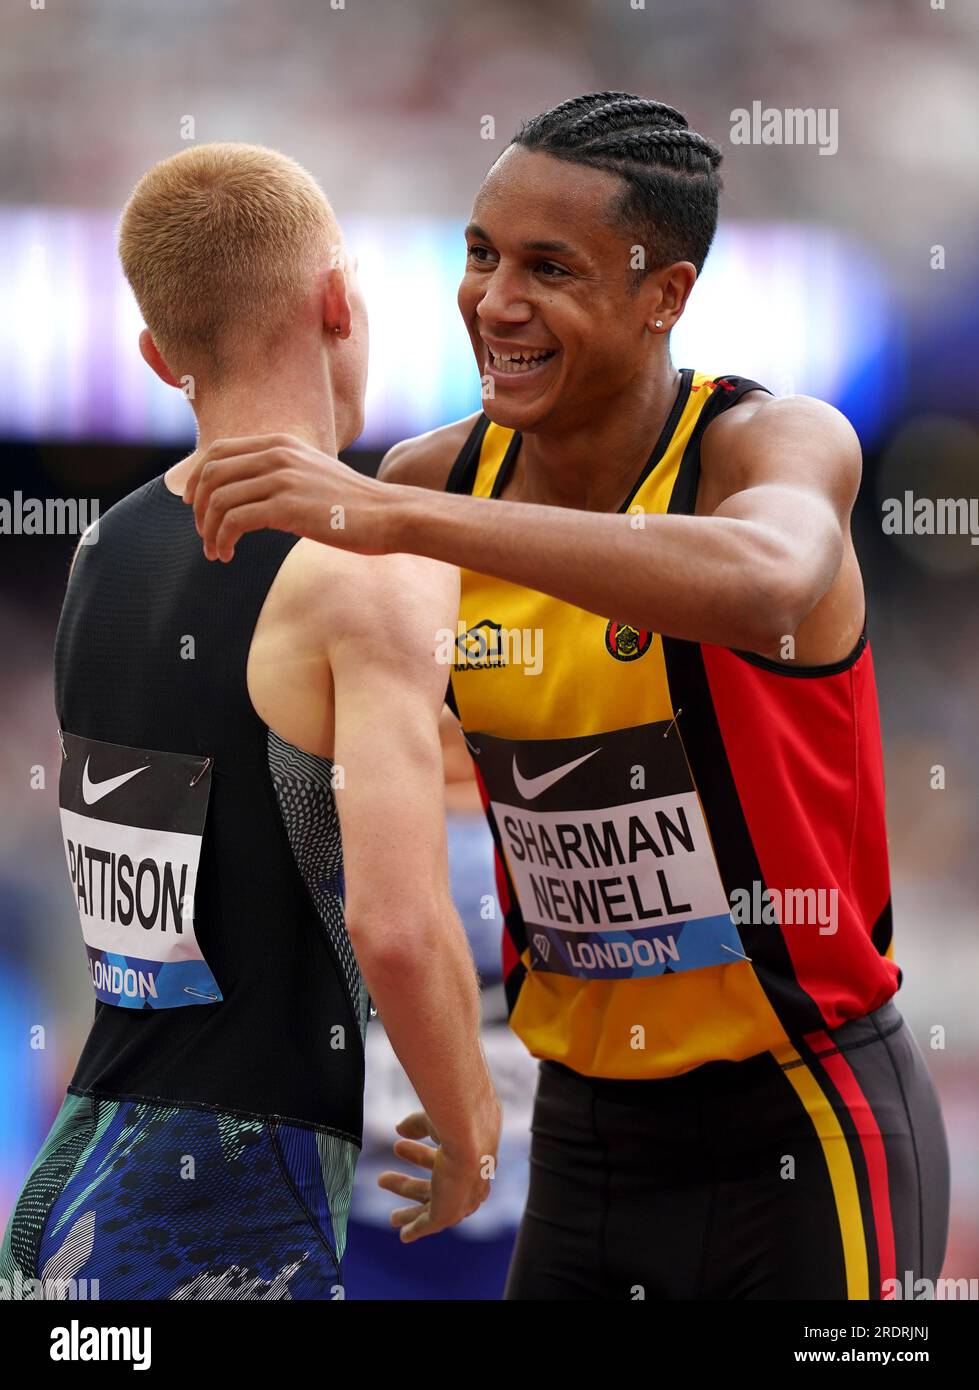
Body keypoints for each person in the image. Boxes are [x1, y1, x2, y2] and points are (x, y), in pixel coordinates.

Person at [183, 96, 950, 1300]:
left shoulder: (768, 447)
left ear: (665, 294)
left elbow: (765, 582)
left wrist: (402, 518)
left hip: (807, 1119)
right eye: (480, 255)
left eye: (551, 267)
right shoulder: (435, 477)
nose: (495, 302)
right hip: (585, 1138)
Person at [0, 143, 499, 1302]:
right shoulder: (370, 565)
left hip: (81, 1169)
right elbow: (395, 920)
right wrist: (469, 1123)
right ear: (338, 298)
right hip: (227, 1209)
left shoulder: (100, 550)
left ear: (156, 355)